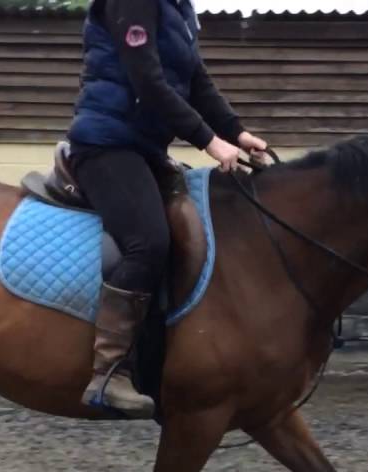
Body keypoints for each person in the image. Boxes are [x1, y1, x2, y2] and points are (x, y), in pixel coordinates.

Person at [65, 0, 268, 418]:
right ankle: (108, 375)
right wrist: (209, 142)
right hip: (106, 143)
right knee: (148, 242)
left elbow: (196, 83)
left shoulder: (179, 9)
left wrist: (238, 131)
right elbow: (146, 80)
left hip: (146, 150)